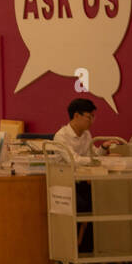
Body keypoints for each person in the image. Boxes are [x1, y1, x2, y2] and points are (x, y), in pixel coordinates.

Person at [53, 97, 111, 254]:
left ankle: (99, 246)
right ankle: (76, 246)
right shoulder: (61, 137)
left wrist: (104, 150)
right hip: (65, 185)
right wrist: (96, 160)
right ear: (76, 116)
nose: (92, 120)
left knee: (104, 201)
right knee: (84, 205)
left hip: (83, 181)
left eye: (93, 116)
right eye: (89, 116)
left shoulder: (87, 135)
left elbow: (92, 155)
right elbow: (75, 161)